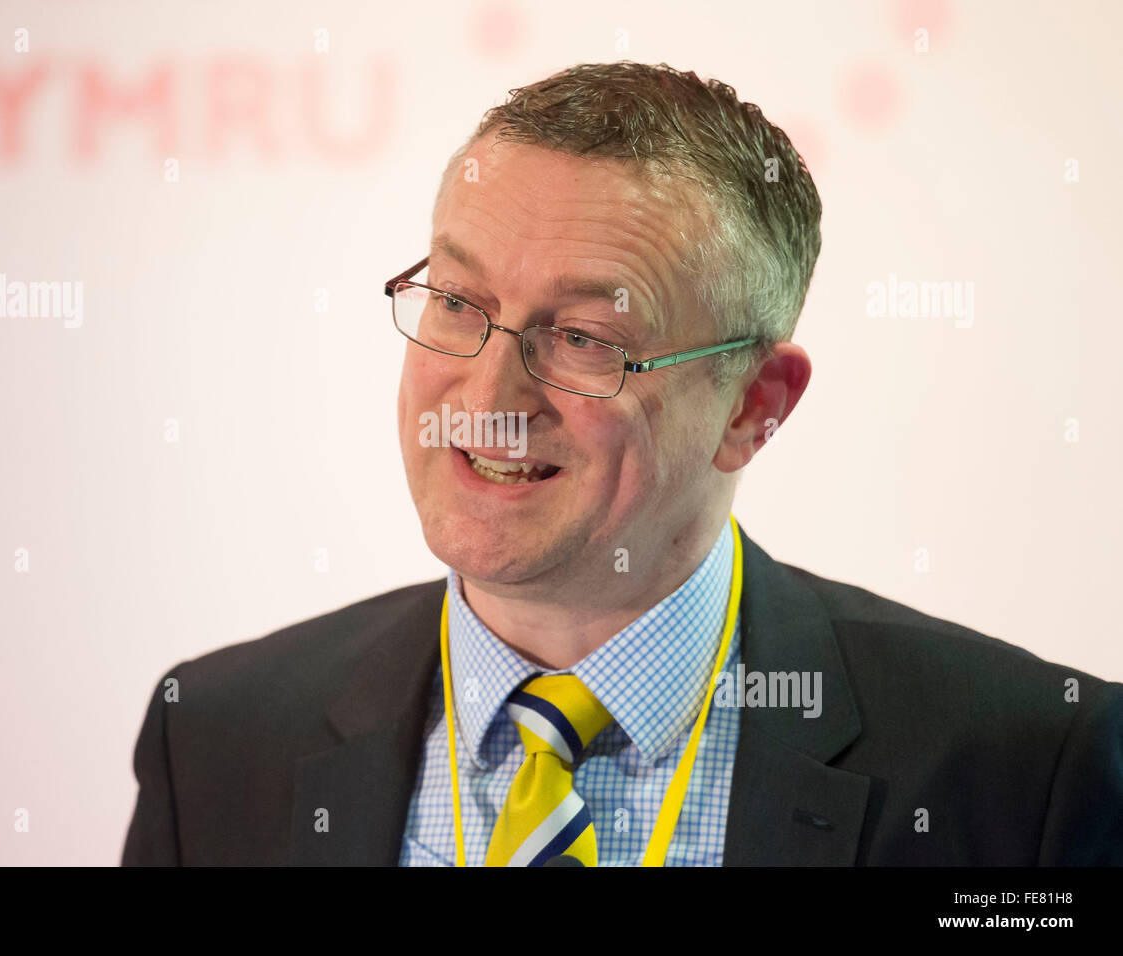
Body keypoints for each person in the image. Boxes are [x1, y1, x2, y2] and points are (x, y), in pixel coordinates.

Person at [121, 61, 1123, 866]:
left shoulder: (1026, 767)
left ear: (751, 406)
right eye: (458, 305)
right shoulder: (217, 738)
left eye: (585, 339)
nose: (484, 401)